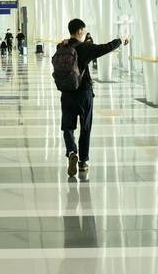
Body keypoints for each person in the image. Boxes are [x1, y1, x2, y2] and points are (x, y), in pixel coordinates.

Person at [52, 19, 126, 181]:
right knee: (85, 127)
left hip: (67, 93)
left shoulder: (62, 46)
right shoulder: (86, 48)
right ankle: (83, 162)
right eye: (83, 30)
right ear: (79, 30)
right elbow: (106, 48)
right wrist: (121, 40)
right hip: (84, 92)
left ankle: (72, 152)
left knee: (67, 126)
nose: (84, 33)